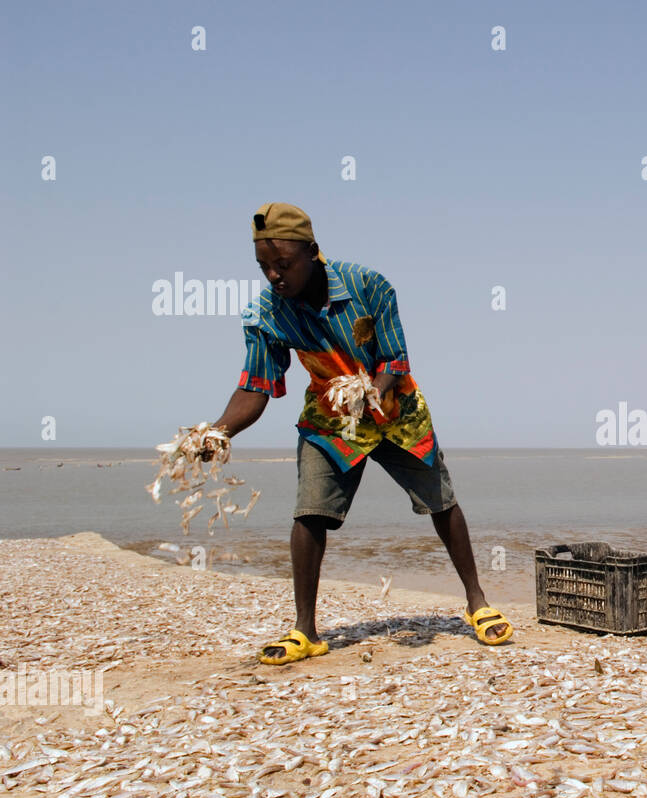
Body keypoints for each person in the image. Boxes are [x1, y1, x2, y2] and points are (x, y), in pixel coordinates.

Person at [205, 202, 513, 663]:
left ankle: (477, 602)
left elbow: (395, 359)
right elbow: (256, 386)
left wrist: (370, 391)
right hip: (331, 419)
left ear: (312, 252)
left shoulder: (368, 285)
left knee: (440, 502)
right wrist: (218, 432)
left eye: (283, 264)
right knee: (310, 513)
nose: (274, 276)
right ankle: (305, 631)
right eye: (264, 267)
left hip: (393, 410)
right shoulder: (266, 314)